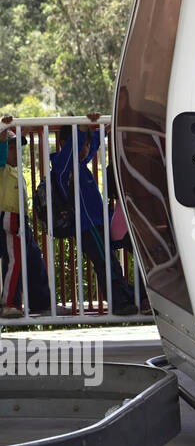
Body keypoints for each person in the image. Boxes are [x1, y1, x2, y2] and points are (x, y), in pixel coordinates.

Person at [50, 114, 139, 315]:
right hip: (87, 227)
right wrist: (81, 129)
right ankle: (120, 302)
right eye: (83, 145)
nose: (86, 150)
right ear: (64, 143)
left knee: (109, 262)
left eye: (88, 145)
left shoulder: (80, 163)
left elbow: (91, 146)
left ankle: (128, 296)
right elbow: (74, 148)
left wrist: (101, 131)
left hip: (97, 224)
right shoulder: (63, 165)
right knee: (106, 264)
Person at [0, 123, 52, 318]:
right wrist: (4, 133)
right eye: (10, 148)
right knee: (14, 261)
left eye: (17, 148)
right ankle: (8, 303)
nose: (14, 152)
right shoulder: (2, 167)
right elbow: (1, 151)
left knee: (33, 260)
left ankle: (41, 303)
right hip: (9, 217)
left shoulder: (15, 170)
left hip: (22, 221)